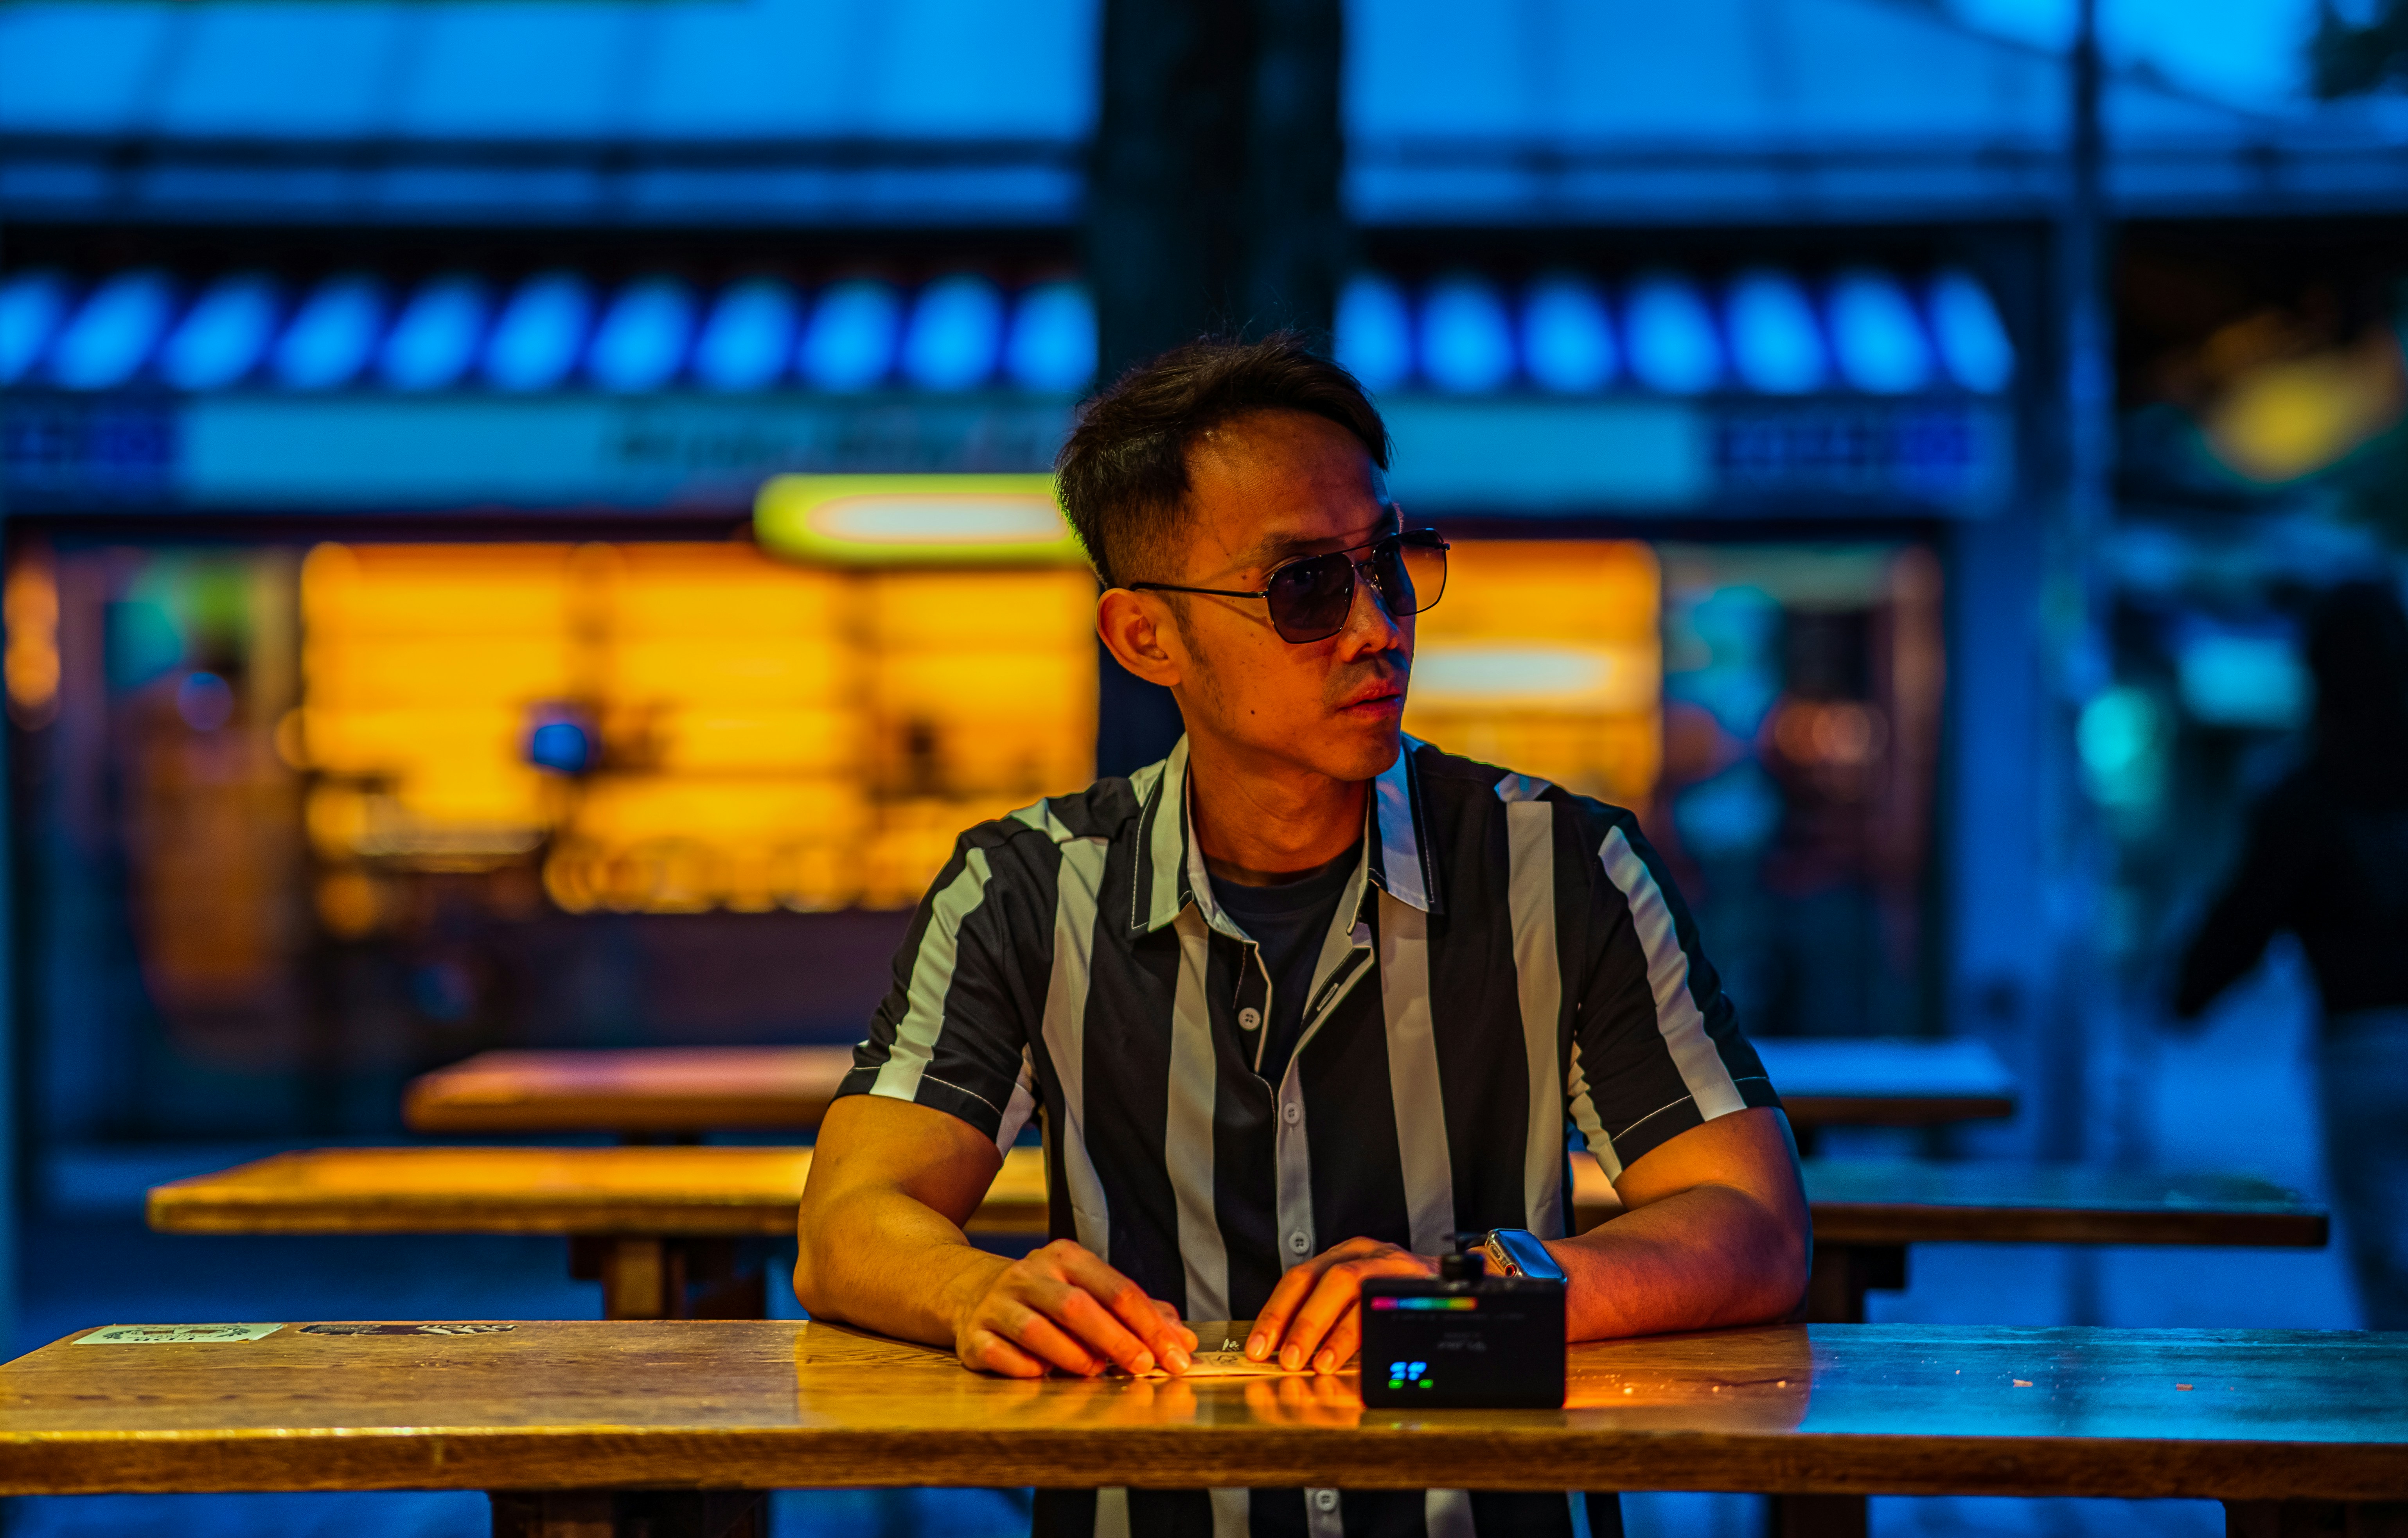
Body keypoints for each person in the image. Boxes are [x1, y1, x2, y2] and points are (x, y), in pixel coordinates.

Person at [794, 334, 1811, 1538]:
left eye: (1388, 562)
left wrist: (1492, 1290)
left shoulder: (1558, 865)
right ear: (1143, 638)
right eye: (1305, 588)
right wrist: (977, 1289)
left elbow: (1751, 1223)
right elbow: (848, 1220)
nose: (1379, 624)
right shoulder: (1026, 887)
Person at [2174, 579, 2408, 1330]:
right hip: (2359, 1046)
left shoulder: (2307, 794)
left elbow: (2245, 919)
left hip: (2362, 1046)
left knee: (2390, 1268)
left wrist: (2185, 995)